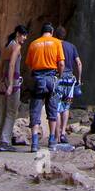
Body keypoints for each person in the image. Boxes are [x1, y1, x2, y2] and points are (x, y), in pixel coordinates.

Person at [24, 23, 64, 153]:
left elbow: (29, 65)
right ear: (51, 32)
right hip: (52, 78)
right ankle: (52, 141)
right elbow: (61, 63)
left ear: (41, 32)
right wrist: (59, 75)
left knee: (35, 110)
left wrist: (35, 76)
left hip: (38, 78)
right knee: (52, 110)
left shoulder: (33, 44)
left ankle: (34, 143)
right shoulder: (57, 42)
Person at [0, 25, 27, 152]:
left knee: (3, 111)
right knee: (11, 112)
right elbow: (12, 64)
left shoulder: (7, 46)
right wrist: (11, 85)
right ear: (18, 34)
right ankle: (4, 141)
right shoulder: (16, 47)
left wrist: (1, 80)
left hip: (4, 80)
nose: (25, 38)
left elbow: (1, 64)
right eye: (23, 35)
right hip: (13, 81)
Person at [51, 26, 82, 151]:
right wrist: (79, 80)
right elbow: (79, 63)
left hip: (59, 78)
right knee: (66, 106)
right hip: (70, 79)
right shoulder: (71, 46)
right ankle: (63, 133)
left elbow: (59, 63)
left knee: (57, 107)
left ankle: (57, 136)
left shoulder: (54, 45)